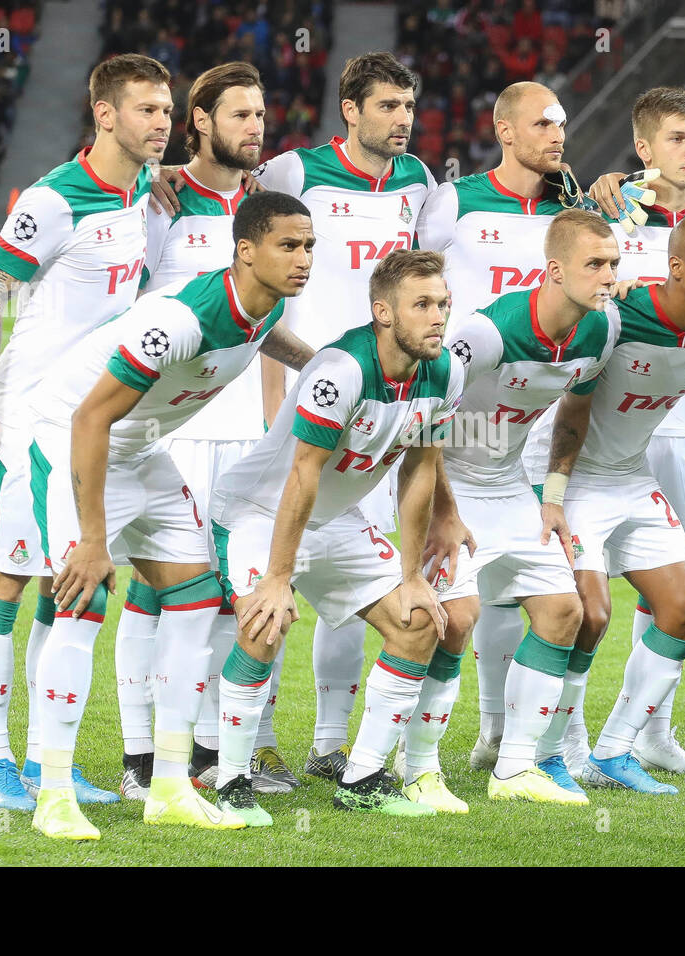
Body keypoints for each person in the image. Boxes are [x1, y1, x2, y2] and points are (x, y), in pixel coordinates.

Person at [157, 53, 440, 784]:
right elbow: (233, 209)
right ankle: (242, 751)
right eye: (387, 105)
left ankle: (332, 745)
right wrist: (164, 178)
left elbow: (440, 260)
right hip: (309, 395)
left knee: (351, 594)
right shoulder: (293, 171)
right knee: (254, 598)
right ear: (350, 109)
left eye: (410, 106)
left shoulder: (420, 184)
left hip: (386, 403)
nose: (403, 119)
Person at [27, 192, 317, 839]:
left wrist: (328, 362)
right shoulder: (182, 319)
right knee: (84, 597)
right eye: (288, 246)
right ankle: (52, 793)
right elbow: (89, 417)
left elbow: (276, 339)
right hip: (74, 441)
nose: (303, 259)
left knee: (193, 597)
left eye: (309, 247)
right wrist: (96, 540)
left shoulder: (262, 306)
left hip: (142, 448)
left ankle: (169, 783)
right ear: (245, 251)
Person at [0, 54, 172, 812]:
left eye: (168, 112)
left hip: (88, 422)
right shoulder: (53, 199)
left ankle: (53, 763)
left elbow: (155, 176)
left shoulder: (144, 186)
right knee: (4, 583)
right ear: (104, 113)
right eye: (146, 110)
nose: (161, 124)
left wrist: (163, 169)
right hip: (21, 422)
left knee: (68, 585)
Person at [209, 249, 463, 819]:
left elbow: (421, 467)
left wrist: (412, 574)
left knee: (418, 621)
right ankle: (229, 783)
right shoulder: (341, 370)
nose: (438, 317)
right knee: (264, 621)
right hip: (258, 512)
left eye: (443, 303)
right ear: (384, 313)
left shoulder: (445, 369)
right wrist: (278, 578)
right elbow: (303, 473)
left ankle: (365, 777)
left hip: (336, 518)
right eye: (421, 304)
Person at [113, 61, 305, 801]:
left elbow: (261, 326)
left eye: (261, 115)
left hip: (242, 429)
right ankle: (139, 759)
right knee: (159, 592)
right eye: (239, 116)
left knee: (234, 594)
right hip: (166, 430)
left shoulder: (263, 209)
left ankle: (215, 751)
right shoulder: (157, 200)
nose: (255, 128)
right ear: (199, 121)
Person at [414, 81, 594, 774]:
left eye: (564, 124)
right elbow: (408, 278)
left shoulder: (570, 211)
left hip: (535, 423)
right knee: (450, 602)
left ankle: (510, 743)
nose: (558, 134)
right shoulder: (457, 202)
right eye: (544, 122)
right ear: (506, 131)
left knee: (535, 593)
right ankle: (374, 750)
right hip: (454, 423)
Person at [529, 214, 685, 794]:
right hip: (569, 476)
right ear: (675, 268)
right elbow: (572, 410)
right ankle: (551, 755)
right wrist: (554, 494)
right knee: (589, 616)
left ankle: (615, 749)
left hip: (630, 473)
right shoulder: (615, 316)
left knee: (683, 610)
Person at [418, 209, 621, 807]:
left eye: (613, 263)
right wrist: (442, 510)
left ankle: (513, 768)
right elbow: (423, 407)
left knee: (565, 612)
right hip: (445, 482)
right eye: (595, 264)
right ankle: (418, 768)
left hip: (509, 486)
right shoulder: (486, 333)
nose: (609, 277)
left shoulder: (600, 330)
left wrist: (552, 497)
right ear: (554, 271)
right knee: (450, 624)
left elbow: (574, 413)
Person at [581, 85, 685, 777]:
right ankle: (535, 738)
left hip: (681, 422)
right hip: (602, 419)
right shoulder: (613, 210)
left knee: (671, 581)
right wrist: (594, 200)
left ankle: (648, 729)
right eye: (677, 138)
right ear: (644, 148)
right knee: (577, 596)